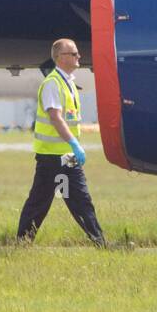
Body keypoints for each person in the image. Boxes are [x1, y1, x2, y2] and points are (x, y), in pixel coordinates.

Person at [16, 38, 105, 246]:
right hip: (55, 156)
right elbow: (56, 117)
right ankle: (100, 243)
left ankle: (22, 242)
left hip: (63, 155)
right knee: (62, 200)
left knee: (59, 200)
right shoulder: (52, 84)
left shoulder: (69, 83)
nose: (78, 57)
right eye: (73, 54)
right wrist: (74, 142)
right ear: (60, 57)